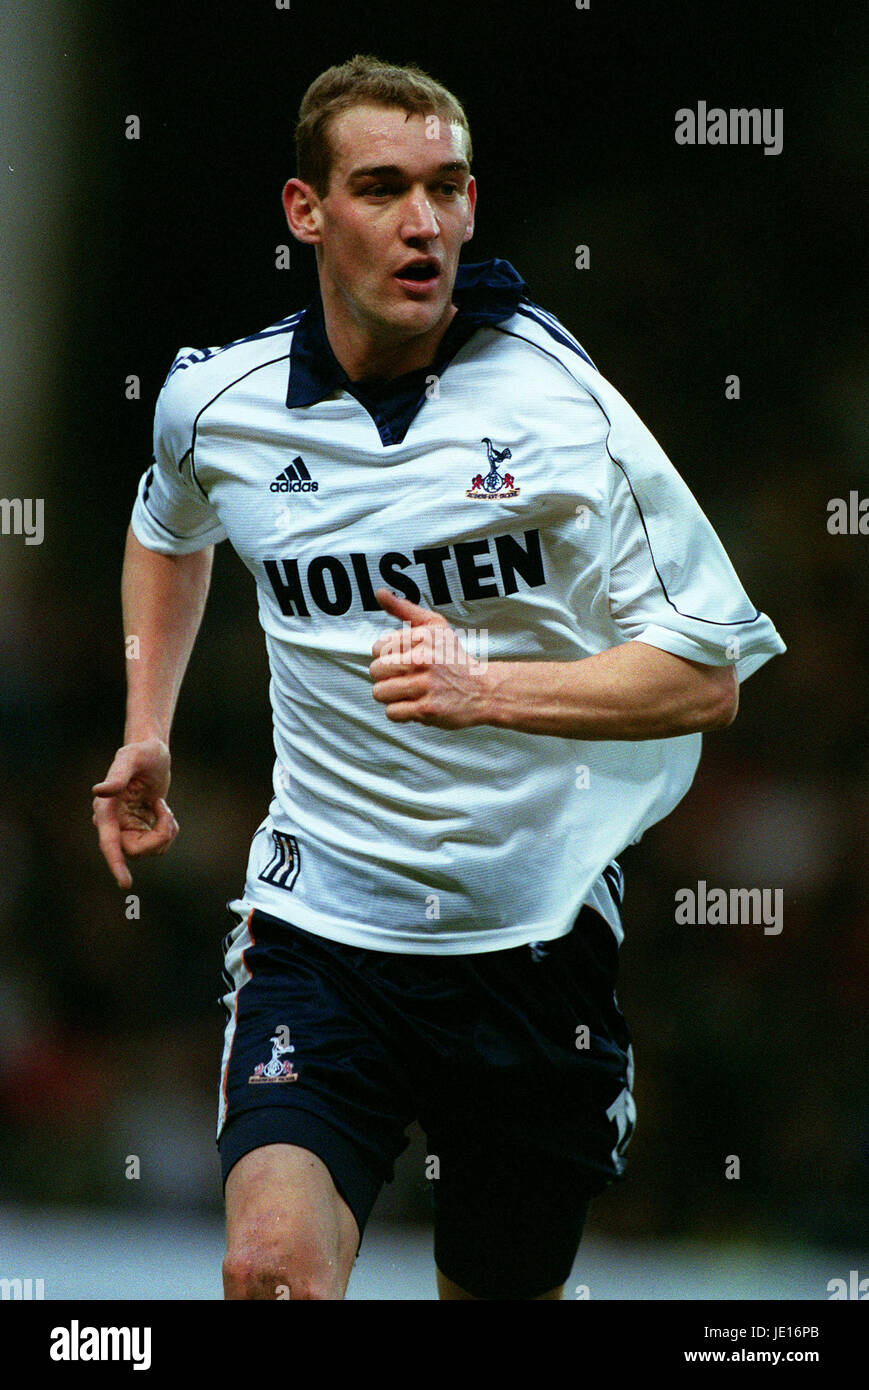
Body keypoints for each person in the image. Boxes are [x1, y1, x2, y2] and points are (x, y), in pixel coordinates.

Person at [92, 54, 786, 1300]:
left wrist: (490, 691)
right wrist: (149, 722)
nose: (423, 222)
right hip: (321, 927)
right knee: (268, 1272)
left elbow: (703, 674)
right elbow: (167, 526)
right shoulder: (217, 401)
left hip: (530, 940)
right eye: (381, 187)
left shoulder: (564, 411)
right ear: (306, 211)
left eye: (447, 188)